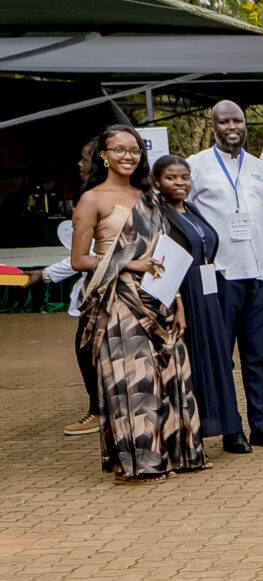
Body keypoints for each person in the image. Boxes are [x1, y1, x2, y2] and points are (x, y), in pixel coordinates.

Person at [71, 127, 205, 481]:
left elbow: (163, 255)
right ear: (104, 154)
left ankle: (175, 456)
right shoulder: (92, 199)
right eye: (119, 150)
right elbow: (79, 260)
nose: (128, 156)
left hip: (159, 297)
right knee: (135, 384)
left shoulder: (149, 197)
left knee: (172, 375)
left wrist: (178, 302)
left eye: (134, 151)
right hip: (118, 301)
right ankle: (137, 465)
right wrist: (128, 263)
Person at [186, 100, 263, 450]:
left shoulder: (262, 168)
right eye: (225, 121)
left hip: (259, 276)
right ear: (213, 125)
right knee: (223, 358)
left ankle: (261, 425)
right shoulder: (195, 166)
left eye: (238, 120)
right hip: (221, 275)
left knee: (255, 358)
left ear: (245, 124)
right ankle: (231, 429)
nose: (233, 127)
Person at [153, 155, 241, 449]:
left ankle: (230, 427)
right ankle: (191, 435)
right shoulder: (157, 217)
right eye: (171, 178)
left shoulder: (191, 209)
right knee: (193, 363)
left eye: (184, 178)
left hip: (208, 292)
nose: (180, 183)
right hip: (184, 296)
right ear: (157, 182)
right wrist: (177, 301)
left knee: (218, 361)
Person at [57, 137, 103, 439]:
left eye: (85, 158)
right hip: (93, 291)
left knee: (88, 349)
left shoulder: (96, 199)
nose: (79, 164)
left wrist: (46, 275)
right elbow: (80, 257)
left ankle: (99, 411)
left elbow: (85, 257)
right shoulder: (92, 197)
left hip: (106, 292)